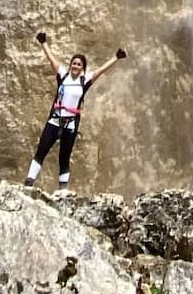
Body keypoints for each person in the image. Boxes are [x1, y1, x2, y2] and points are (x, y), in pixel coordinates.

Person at [23, 31, 126, 188]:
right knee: (41, 150)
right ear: (70, 65)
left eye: (79, 64)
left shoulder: (85, 81)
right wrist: (43, 43)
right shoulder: (63, 75)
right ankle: (29, 182)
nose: (76, 66)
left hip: (70, 125)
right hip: (55, 120)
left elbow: (101, 70)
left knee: (64, 157)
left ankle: (62, 190)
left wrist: (116, 58)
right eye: (74, 63)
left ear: (83, 68)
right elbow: (52, 59)